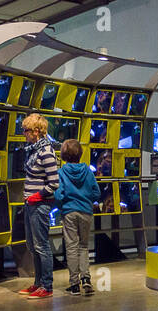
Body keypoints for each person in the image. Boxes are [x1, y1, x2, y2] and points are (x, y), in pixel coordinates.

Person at [53, 139, 101, 297]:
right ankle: (86, 278)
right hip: (86, 212)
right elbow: (96, 193)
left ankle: (74, 284)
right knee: (84, 246)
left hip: (69, 212)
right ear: (80, 153)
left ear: (63, 155)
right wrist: (86, 200)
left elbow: (58, 194)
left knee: (72, 247)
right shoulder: (88, 171)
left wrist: (62, 206)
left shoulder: (61, 172)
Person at [19, 114, 60, 299]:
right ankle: (38, 283)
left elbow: (54, 182)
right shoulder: (34, 151)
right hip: (31, 204)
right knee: (33, 245)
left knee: (41, 246)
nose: (24, 134)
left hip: (40, 205)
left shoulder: (46, 152)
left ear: (36, 131)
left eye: (26, 130)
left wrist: (36, 196)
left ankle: (47, 286)